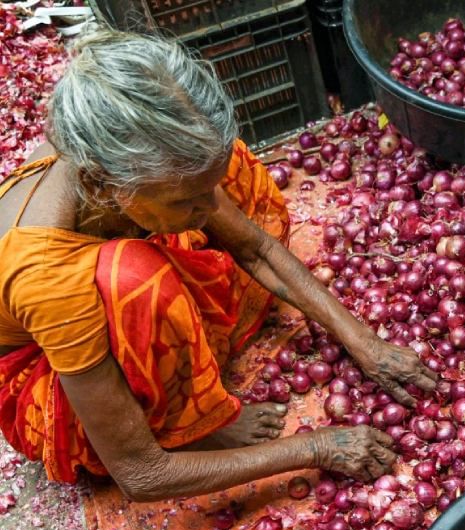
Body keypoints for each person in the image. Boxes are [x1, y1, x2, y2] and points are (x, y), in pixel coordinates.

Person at [0, 29, 437, 501]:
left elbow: (254, 249)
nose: (210, 208)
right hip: (50, 376)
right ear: (103, 185)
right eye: (187, 200)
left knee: (226, 166)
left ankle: (185, 347)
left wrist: (364, 343)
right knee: (134, 281)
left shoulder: (122, 150)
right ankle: (192, 429)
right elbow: (140, 473)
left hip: (110, 253)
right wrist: (317, 447)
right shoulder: (49, 277)